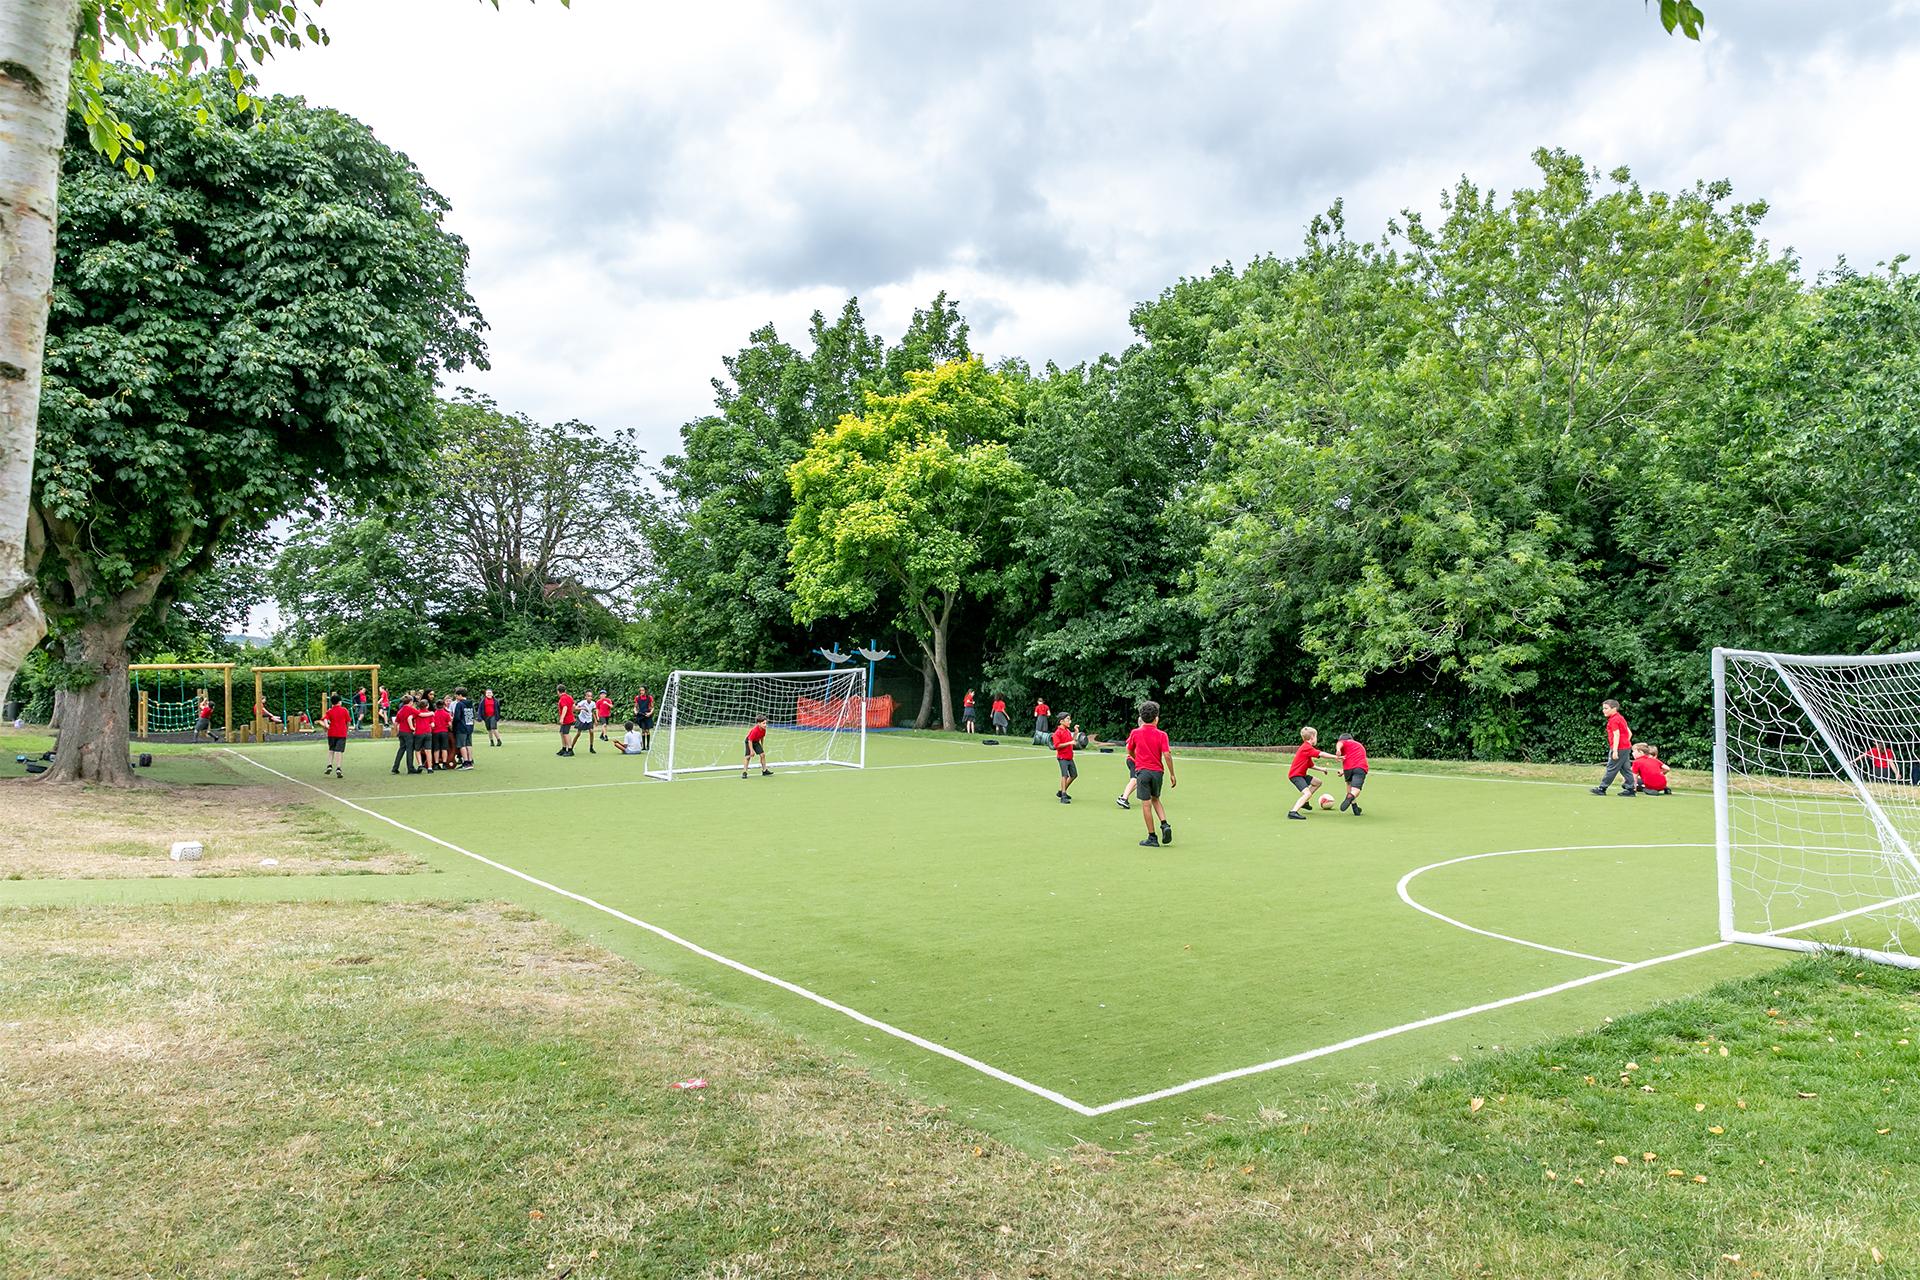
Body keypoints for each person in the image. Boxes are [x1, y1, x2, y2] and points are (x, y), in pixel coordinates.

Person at [1126, 701, 1176, 847]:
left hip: (1142, 772)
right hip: (1157, 773)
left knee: (1146, 804)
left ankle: (1152, 837)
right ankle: (1165, 824)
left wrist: (1137, 759)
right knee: (1156, 799)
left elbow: (1129, 750)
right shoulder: (1162, 735)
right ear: (1157, 718)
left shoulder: (1135, 733)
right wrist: (1172, 774)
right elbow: (1167, 755)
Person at [1591, 699, 1638, 796]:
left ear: (1614, 709)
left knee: (1611, 768)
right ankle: (1630, 789)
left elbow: (1617, 735)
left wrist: (1615, 750)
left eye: (1606, 708)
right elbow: (1629, 733)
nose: (1603, 710)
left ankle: (1602, 788)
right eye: (1603, 708)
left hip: (1619, 748)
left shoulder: (1613, 720)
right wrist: (1625, 744)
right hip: (1625, 747)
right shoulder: (1620, 718)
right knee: (1625, 769)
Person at [1286, 727, 1329, 820]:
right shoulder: (1306, 747)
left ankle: (1305, 802)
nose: (1317, 738)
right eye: (1316, 736)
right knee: (1307, 793)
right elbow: (1321, 754)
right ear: (1312, 737)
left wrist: (1322, 769)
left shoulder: (1306, 748)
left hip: (1301, 775)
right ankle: (1293, 812)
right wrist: (1337, 757)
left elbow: (1310, 765)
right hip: (1296, 775)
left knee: (1317, 782)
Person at [1333, 732, 1368, 815]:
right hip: (1360, 767)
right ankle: (1350, 798)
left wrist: (1338, 750)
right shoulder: (1359, 745)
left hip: (1348, 769)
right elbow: (1356, 758)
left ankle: (1355, 808)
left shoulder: (1344, 742)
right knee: (1356, 789)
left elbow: (1340, 743)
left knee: (1349, 785)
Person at [1051, 712, 1078, 803]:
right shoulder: (1057, 733)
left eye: (1070, 719)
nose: (1070, 721)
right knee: (1064, 775)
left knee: (1074, 775)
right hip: (1062, 758)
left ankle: (1061, 791)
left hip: (1070, 757)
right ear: (1061, 721)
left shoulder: (1067, 731)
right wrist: (1069, 743)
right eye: (1068, 719)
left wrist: (1075, 733)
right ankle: (1063, 795)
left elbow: (1071, 741)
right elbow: (1057, 745)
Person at [322, 694, 351, 778]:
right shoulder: (344, 710)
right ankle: (338, 767)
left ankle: (329, 765)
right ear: (339, 702)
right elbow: (348, 721)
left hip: (331, 733)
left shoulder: (330, 711)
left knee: (331, 749)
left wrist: (326, 725)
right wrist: (347, 729)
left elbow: (325, 719)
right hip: (341, 733)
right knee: (339, 751)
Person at [391, 695, 419, 774]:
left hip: (401, 732)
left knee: (401, 749)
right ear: (411, 702)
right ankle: (410, 768)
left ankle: (395, 768)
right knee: (410, 750)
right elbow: (419, 714)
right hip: (408, 732)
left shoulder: (400, 711)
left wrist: (396, 732)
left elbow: (396, 723)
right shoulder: (411, 709)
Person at [451, 686, 475, 770]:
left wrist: (453, 726)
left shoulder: (459, 704)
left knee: (462, 745)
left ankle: (466, 762)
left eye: (456, 696)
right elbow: (472, 716)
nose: (456, 698)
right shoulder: (470, 704)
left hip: (461, 727)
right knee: (469, 744)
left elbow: (457, 717)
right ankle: (470, 760)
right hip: (469, 726)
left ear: (460, 695)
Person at [557, 685, 577, 757]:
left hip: (567, 719)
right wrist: (571, 712)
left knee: (566, 733)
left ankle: (570, 750)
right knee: (562, 732)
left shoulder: (562, 698)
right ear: (565, 690)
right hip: (569, 718)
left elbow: (565, 707)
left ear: (558, 691)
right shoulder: (569, 697)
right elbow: (574, 706)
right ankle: (564, 748)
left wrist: (562, 718)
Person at [633, 685, 654, 752]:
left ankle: (648, 746)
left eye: (643, 690)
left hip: (647, 715)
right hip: (641, 715)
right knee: (643, 731)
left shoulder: (649, 697)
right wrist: (635, 711)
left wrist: (650, 713)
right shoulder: (637, 698)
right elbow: (635, 707)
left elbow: (652, 707)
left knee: (647, 731)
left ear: (645, 690)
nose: (641, 692)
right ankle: (643, 746)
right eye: (640, 690)